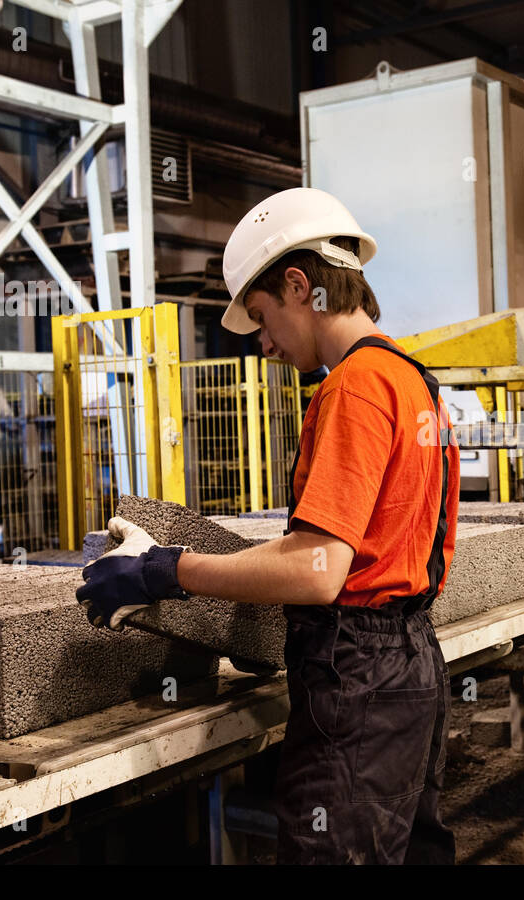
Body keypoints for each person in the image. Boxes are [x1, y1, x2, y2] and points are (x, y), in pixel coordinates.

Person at [77, 187, 459, 865]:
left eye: (261, 317)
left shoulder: (355, 387)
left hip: (359, 680)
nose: (265, 345)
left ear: (298, 283)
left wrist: (164, 570)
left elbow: (318, 570)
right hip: (413, 666)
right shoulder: (414, 381)